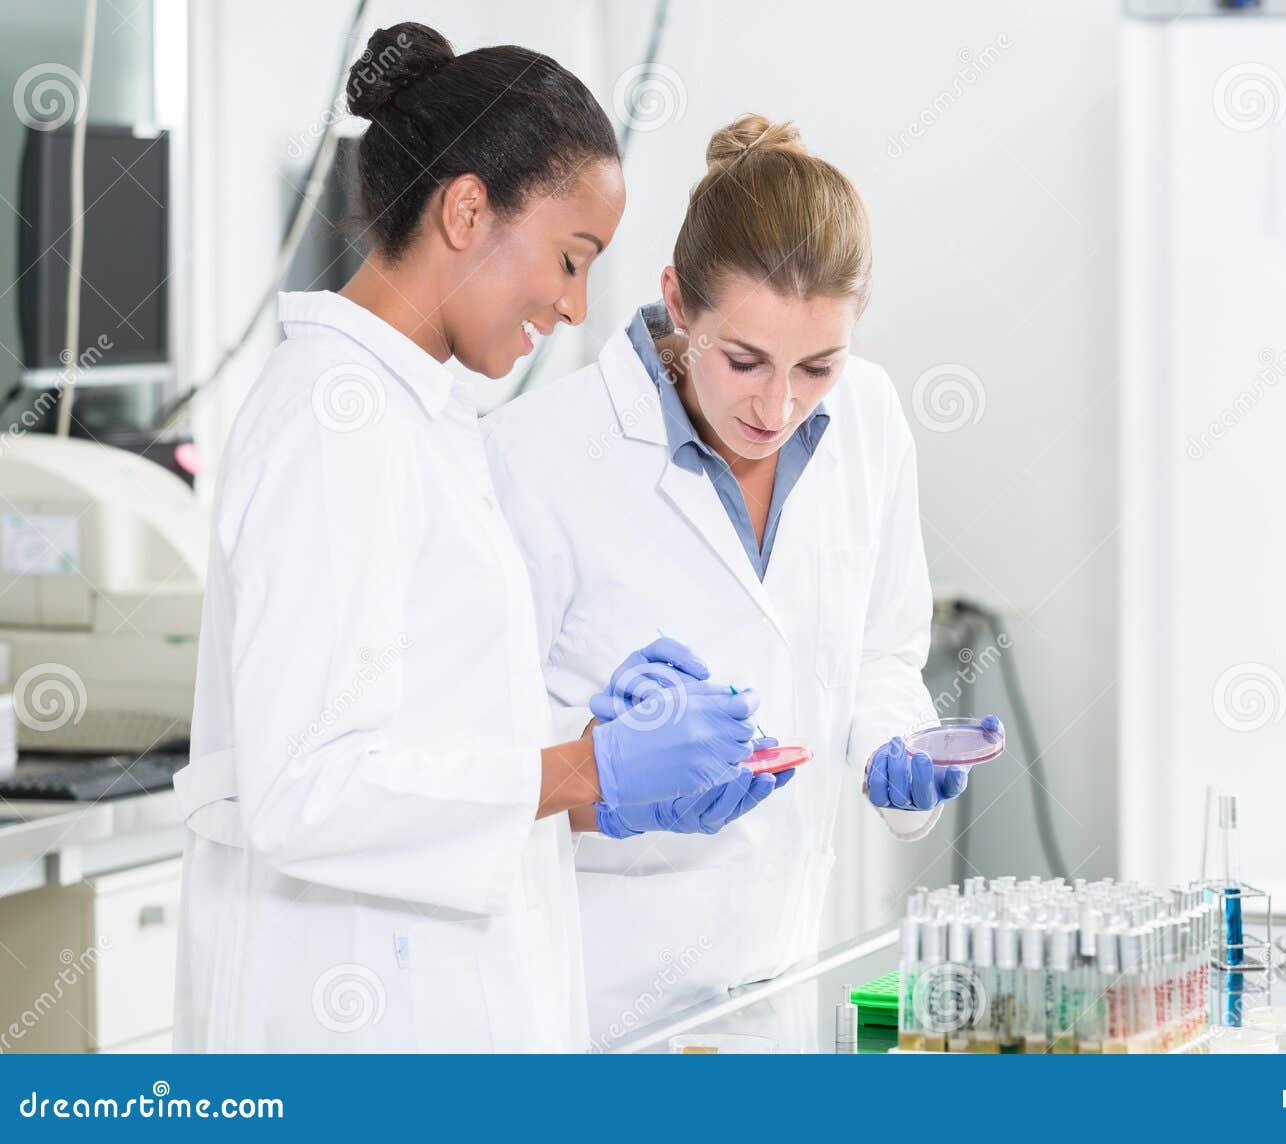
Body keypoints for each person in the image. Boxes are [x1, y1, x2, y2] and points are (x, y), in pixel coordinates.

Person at [171, 24, 775, 1052]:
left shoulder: (420, 417)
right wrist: (584, 768)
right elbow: (303, 788)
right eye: (570, 257)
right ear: (466, 209)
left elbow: (418, 725)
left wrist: (596, 748)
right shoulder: (335, 420)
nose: (575, 303)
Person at [484, 114, 1000, 1036]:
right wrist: (612, 764)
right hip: (588, 1008)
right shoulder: (533, 459)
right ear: (678, 302)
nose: (779, 405)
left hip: (778, 983)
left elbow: (881, 650)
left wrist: (897, 748)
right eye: (744, 358)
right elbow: (466, 771)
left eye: (818, 365)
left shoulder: (870, 419)